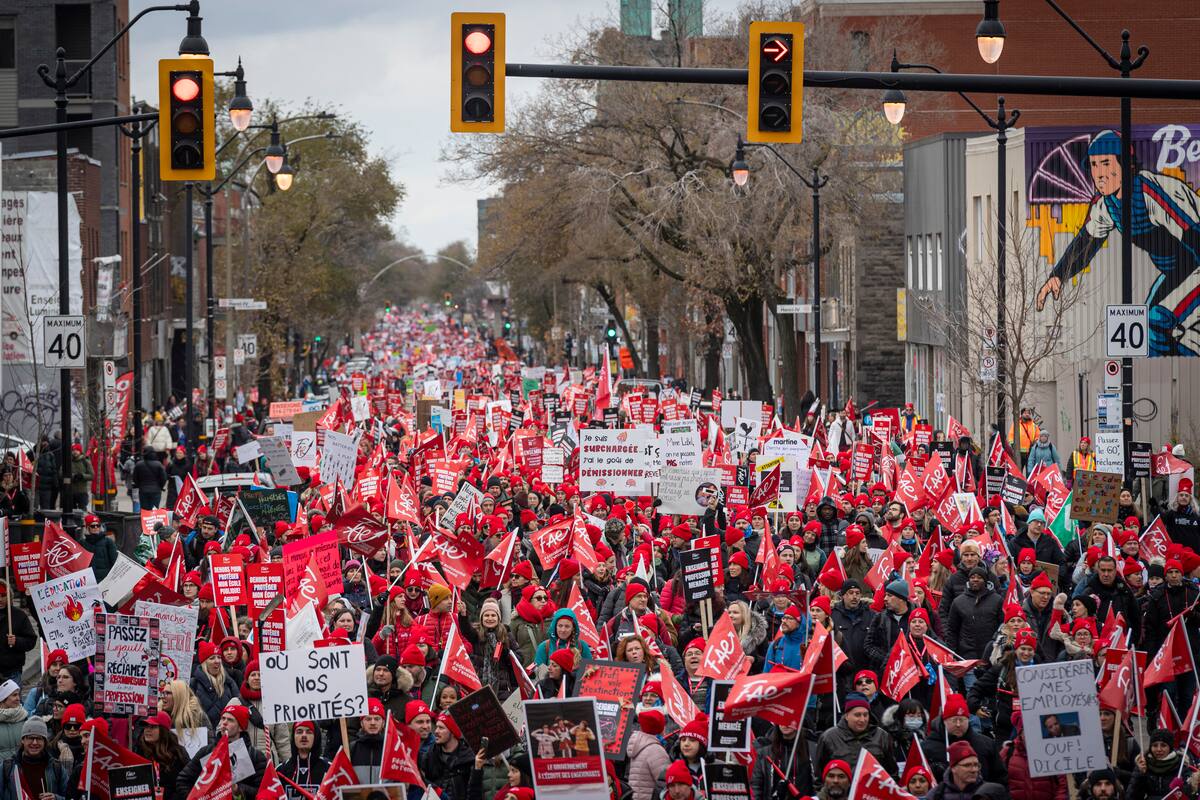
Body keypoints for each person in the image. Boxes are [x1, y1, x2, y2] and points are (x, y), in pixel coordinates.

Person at [812, 693, 896, 780]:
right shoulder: (828, 738)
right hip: (841, 793)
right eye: (857, 715)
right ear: (847, 716)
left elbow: (892, 774)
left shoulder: (882, 736)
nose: (862, 719)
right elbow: (819, 777)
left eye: (865, 715)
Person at [0, 718, 70, 800]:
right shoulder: (8, 767)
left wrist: (56, 798)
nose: (34, 743)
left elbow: (69, 796)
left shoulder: (56, 767)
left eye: (39, 738)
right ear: (23, 740)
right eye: (30, 738)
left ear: (45, 742)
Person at [133, 712, 190, 800]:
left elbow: (187, 781)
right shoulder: (137, 751)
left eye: (152, 727)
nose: (147, 730)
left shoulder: (178, 753)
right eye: (146, 726)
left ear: (163, 730)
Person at [421, 713, 472, 800]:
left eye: (441, 728)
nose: (436, 731)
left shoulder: (469, 758)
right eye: (436, 727)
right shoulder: (429, 756)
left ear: (452, 732)